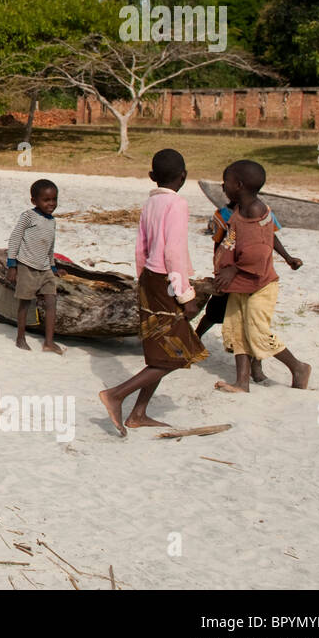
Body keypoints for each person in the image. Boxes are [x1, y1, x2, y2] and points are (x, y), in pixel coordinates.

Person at [98, 149, 208, 436]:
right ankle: (116, 395)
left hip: (148, 277)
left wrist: (143, 279)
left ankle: (138, 413)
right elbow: (173, 253)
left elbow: (140, 247)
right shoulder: (178, 204)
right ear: (184, 176)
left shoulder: (150, 203)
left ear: (151, 177)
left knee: (159, 353)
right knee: (178, 354)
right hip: (166, 282)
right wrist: (185, 295)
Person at [212, 160, 311, 393]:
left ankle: (298, 367)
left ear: (238, 185)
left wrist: (233, 269)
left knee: (257, 331)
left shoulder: (254, 211)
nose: (222, 186)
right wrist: (287, 258)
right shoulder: (243, 208)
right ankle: (242, 382)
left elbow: (259, 251)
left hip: (258, 284)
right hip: (240, 285)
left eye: (225, 182)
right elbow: (268, 236)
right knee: (236, 329)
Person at [196, 196, 302, 341]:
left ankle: (251, 354)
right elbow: (219, 245)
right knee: (215, 311)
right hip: (228, 274)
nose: (223, 186)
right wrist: (219, 270)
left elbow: (270, 236)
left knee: (251, 316)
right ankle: (196, 337)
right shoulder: (222, 215)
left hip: (252, 274)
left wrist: (288, 258)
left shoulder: (263, 213)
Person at [5, 179, 65, 353]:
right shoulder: (28, 216)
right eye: (46, 200)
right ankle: (20, 338)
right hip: (27, 266)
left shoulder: (52, 221)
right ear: (34, 201)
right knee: (25, 303)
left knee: (51, 301)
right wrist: (12, 264)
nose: (51, 204)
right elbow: (15, 238)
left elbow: (50, 247)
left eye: (54, 199)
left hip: (45, 268)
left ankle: (48, 342)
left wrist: (53, 268)